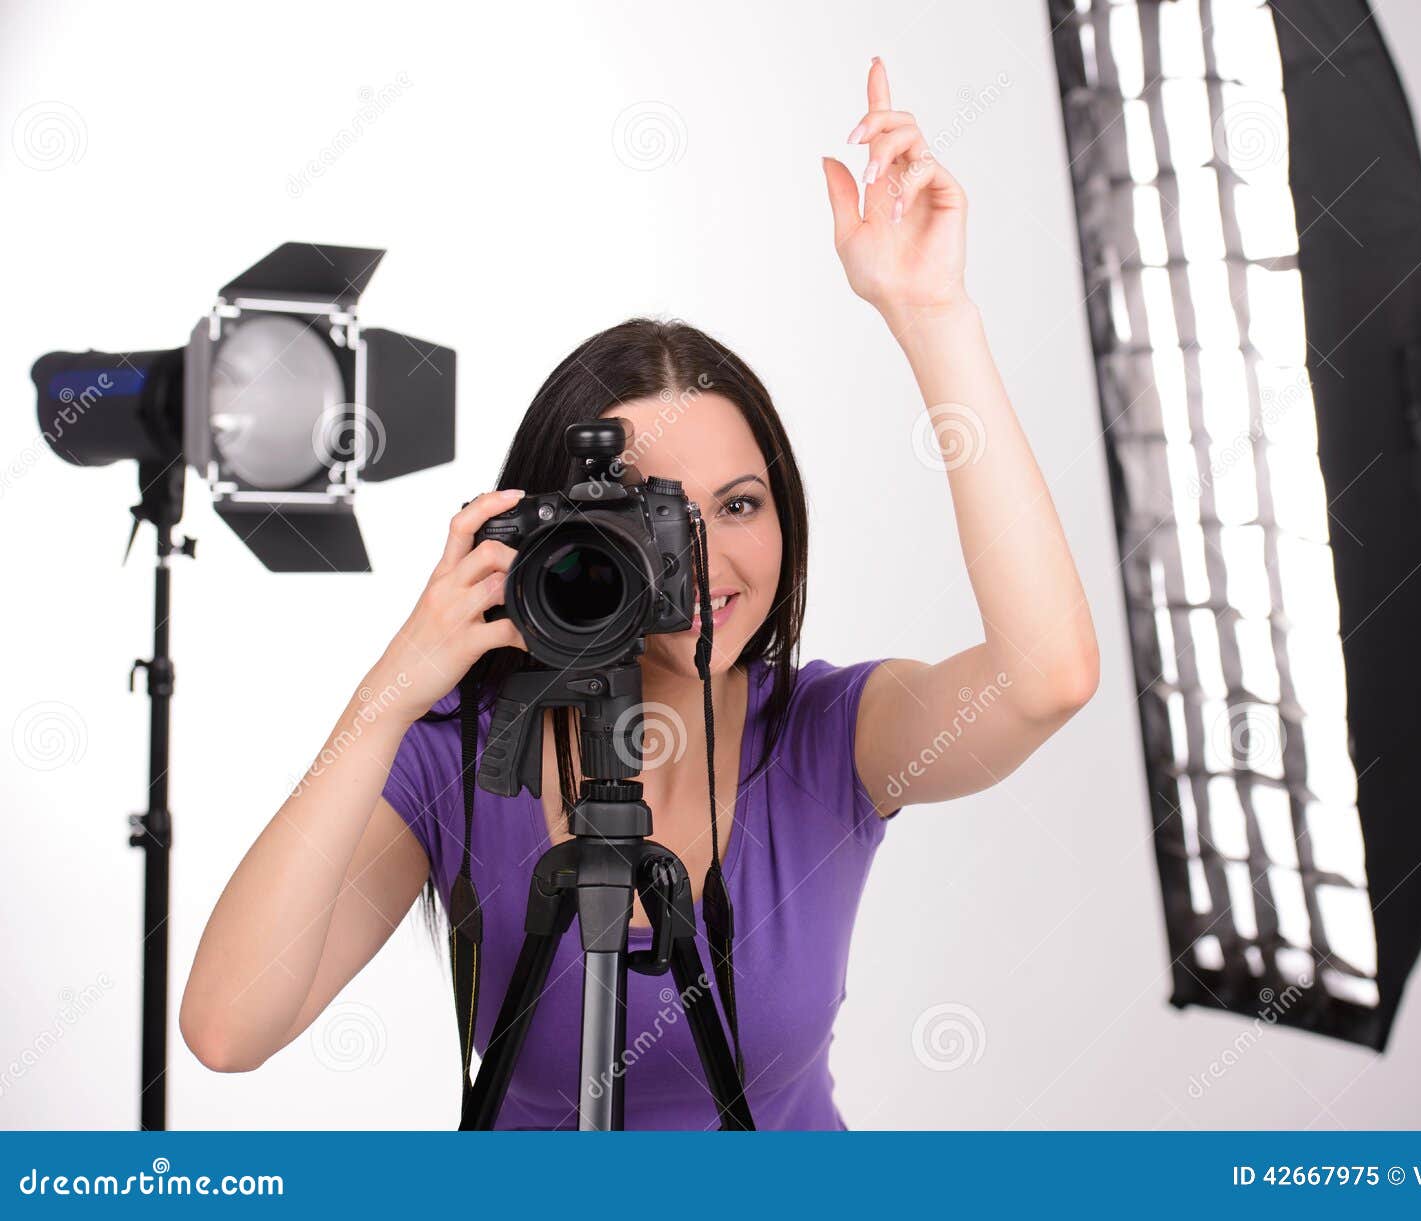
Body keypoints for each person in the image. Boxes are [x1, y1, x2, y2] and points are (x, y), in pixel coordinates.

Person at [180, 56, 1099, 1129]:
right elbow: (227, 1029)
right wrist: (390, 694)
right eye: (652, 521)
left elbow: (1047, 679)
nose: (702, 563)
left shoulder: (825, 738)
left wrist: (932, 313)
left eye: (741, 506)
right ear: (562, 537)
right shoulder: (460, 755)